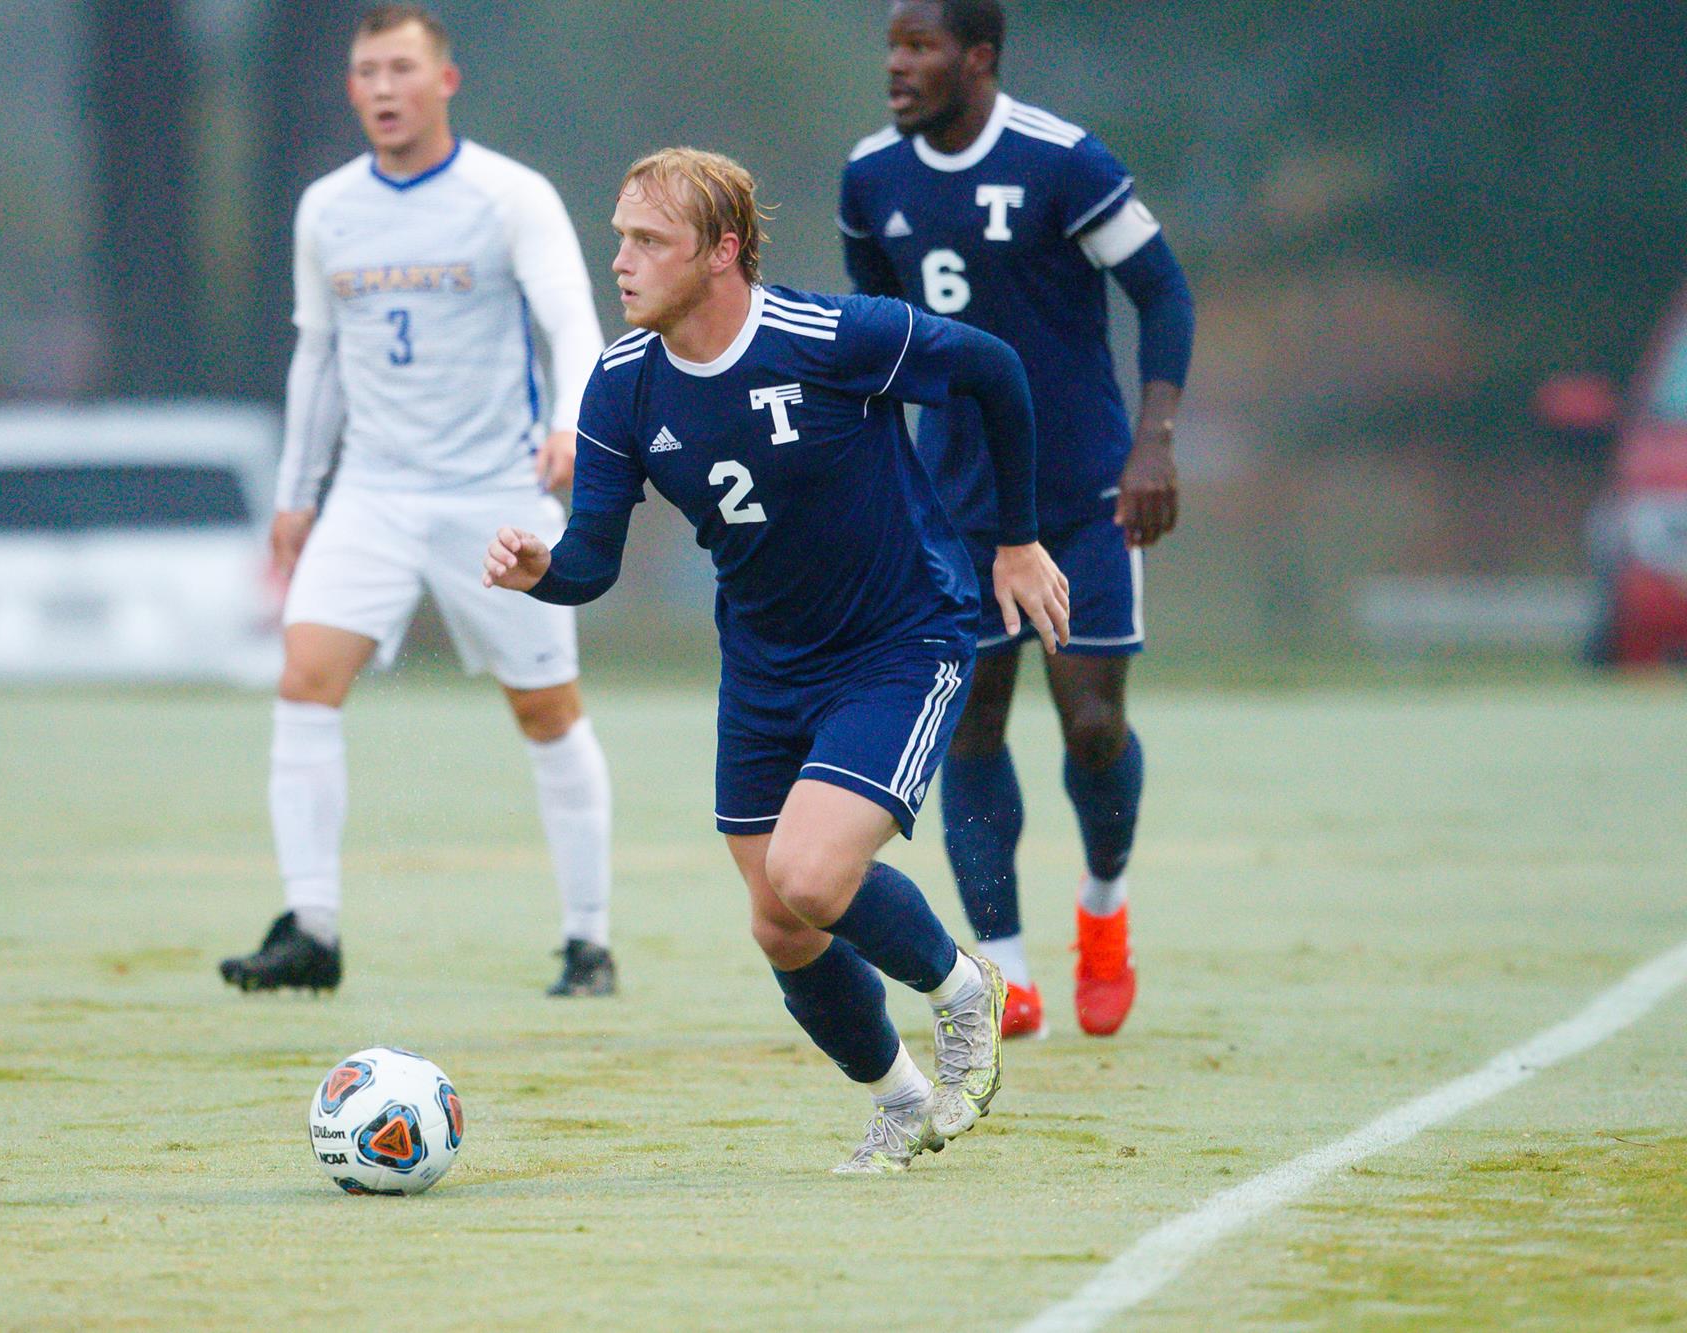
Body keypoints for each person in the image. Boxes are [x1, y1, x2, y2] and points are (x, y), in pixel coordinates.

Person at [485, 148, 1071, 1172]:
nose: (618, 260)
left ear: (721, 253)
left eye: (647, 240)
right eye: (617, 235)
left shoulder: (830, 335)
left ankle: (961, 991)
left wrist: (1015, 539)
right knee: (778, 922)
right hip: (763, 667)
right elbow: (590, 561)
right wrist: (539, 569)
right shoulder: (622, 384)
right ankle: (898, 1099)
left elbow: (995, 372)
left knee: (808, 872)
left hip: (900, 642)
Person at [219, 3, 617, 998]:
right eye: (366, 72)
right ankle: (310, 926)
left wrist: (574, 422)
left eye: (401, 68)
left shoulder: (506, 197)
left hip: (496, 493)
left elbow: (571, 322)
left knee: (545, 710)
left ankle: (587, 939)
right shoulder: (328, 209)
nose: (383, 88)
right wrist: (296, 490)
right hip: (374, 491)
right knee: (305, 675)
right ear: (351, 88)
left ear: (445, 81)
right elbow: (318, 354)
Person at [838, 0, 1196, 1039]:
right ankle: (1004, 972)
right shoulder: (870, 178)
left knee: (1089, 726)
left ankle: (1101, 907)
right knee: (974, 722)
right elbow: (876, 339)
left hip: (1081, 497)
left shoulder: (1064, 161)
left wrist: (1154, 440)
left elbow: (1162, 292)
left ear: (978, 58)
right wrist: (879, 480)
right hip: (953, 510)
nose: (896, 67)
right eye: (890, 47)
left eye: (919, 48)